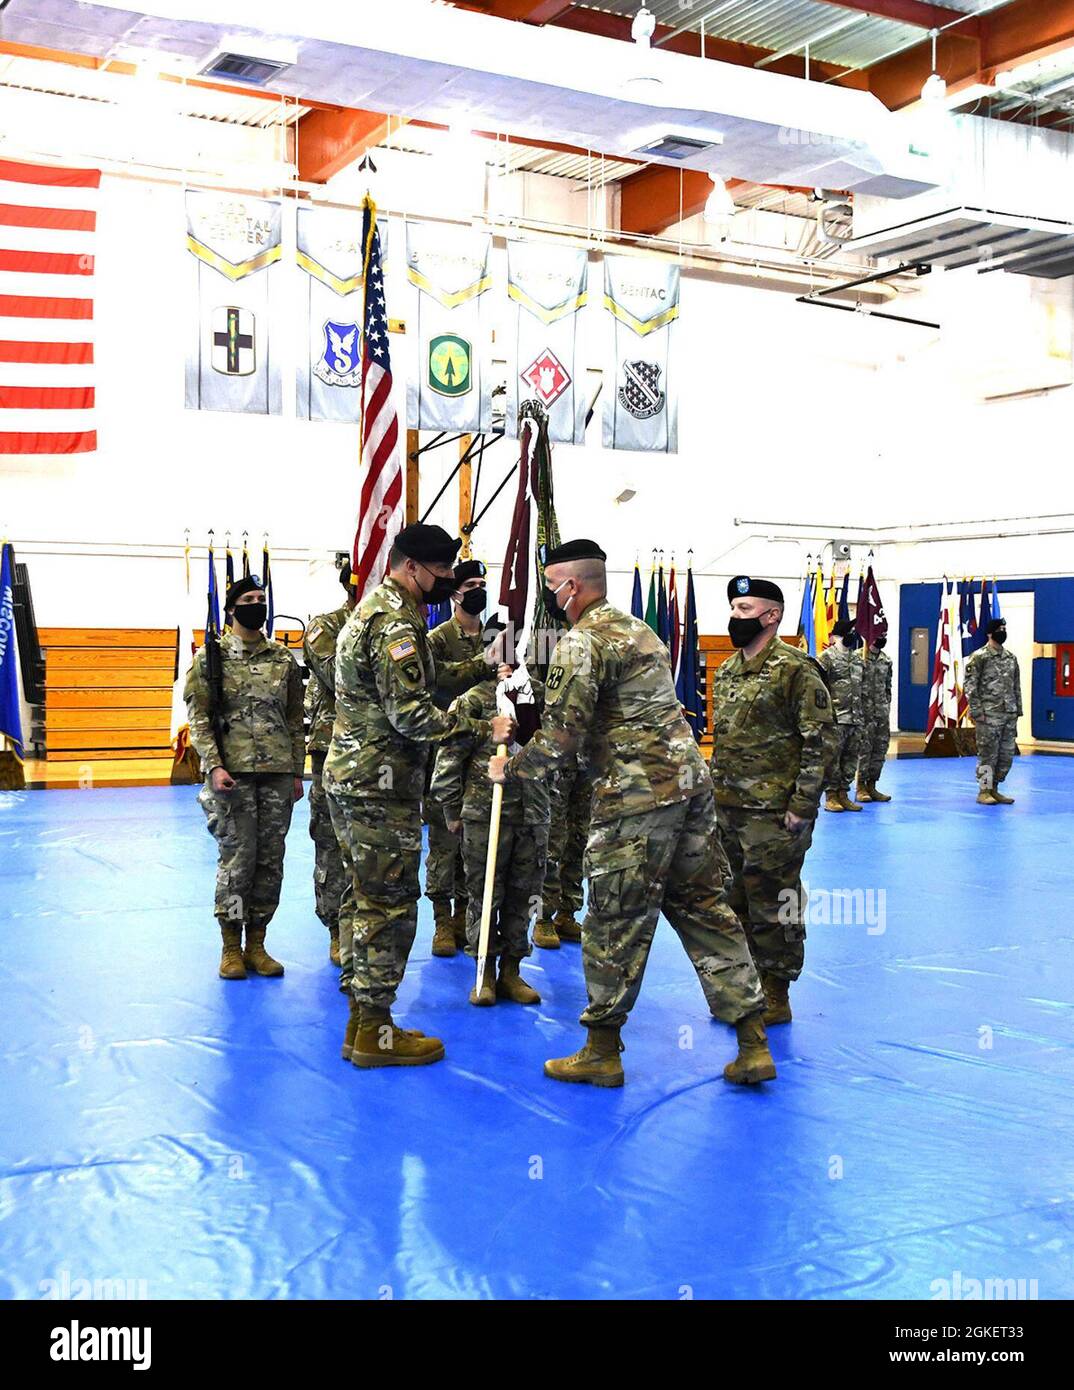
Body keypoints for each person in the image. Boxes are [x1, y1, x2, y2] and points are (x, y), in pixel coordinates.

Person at [488, 540, 774, 1089]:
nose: (549, 595)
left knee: (615, 920)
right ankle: (753, 1041)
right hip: (688, 786)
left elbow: (563, 737)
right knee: (704, 909)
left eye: (551, 585)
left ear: (572, 586)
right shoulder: (640, 629)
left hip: (636, 799)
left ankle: (601, 1049)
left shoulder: (581, 642)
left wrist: (513, 768)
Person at [324, 524, 513, 1070]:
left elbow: (423, 683)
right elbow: (410, 714)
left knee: (366, 900)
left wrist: (479, 666)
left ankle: (362, 1023)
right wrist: (481, 731)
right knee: (389, 905)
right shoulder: (395, 621)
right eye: (442, 574)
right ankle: (377, 1032)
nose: (447, 583)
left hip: (358, 779)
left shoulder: (384, 609)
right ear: (412, 567)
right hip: (376, 786)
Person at [710, 576, 836, 1027]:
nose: (735, 617)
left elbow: (820, 741)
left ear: (772, 615)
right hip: (728, 809)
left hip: (775, 814)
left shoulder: (796, 670)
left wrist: (802, 804)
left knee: (775, 902)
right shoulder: (726, 672)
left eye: (745, 609)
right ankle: (746, 986)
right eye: (733, 608)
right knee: (734, 900)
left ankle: (777, 990)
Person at [184, 576, 305, 981]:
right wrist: (214, 765)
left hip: (276, 775)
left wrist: (295, 769)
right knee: (238, 862)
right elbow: (198, 718)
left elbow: (294, 720)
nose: (257, 605)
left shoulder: (283, 659)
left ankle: (257, 943)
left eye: (261, 599)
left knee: (270, 862)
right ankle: (230, 947)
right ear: (232, 609)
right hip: (231, 776)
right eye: (249, 600)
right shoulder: (211, 659)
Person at [430, 678, 548, 1006]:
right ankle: (484, 971)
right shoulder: (473, 701)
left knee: (524, 895)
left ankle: (512, 970)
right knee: (484, 894)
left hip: (532, 811)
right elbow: (450, 756)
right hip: (484, 814)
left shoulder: (537, 696)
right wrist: (452, 809)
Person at [426, 558, 494, 957]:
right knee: (443, 837)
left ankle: (467, 916)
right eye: (470, 586)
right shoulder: (436, 639)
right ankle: (441, 920)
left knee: (476, 842)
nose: (477, 592)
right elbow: (437, 683)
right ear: (454, 592)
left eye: (483, 585)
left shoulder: (497, 635)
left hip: (486, 754)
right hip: (446, 751)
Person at [303, 558, 357, 966]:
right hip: (333, 748)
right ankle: (336, 927)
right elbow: (344, 677)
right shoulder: (327, 628)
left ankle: (362, 926)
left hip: (378, 753)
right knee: (330, 840)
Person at [533, 757, 590, 949]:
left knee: (580, 839)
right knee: (551, 842)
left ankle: (567, 913)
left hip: (590, 760)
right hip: (556, 759)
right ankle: (543, 918)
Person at [964, 617, 1021, 805]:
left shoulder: (1011, 658)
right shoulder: (979, 657)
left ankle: (995, 788)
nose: (1002, 631)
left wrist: (1017, 711)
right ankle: (984, 790)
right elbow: (970, 686)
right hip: (988, 715)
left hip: (1008, 714)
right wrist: (977, 712)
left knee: (1006, 755)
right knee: (988, 754)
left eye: (1004, 628)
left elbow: (1016, 686)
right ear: (990, 633)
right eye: (999, 629)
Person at [818, 617, 864, 812]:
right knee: (832, 759)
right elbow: (817, 688)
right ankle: (831, 796)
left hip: (855, 717)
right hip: (835, 717)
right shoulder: (825, 658)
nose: (851, 636)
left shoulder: (857, 659)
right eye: (847, 633)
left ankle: (843, 794)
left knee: (850, 758)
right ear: (836, 636)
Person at [856, 634, 893, 803]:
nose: (882, 637)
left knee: (880, 749)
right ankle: (861, 787)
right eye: (879, 634)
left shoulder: (886, 660)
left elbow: (888, 687)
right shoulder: (858, 658)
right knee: (864, 749)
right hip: (864, 713)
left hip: (881, 713)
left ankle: (872, 784)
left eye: (884, 635)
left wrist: (886, 706)